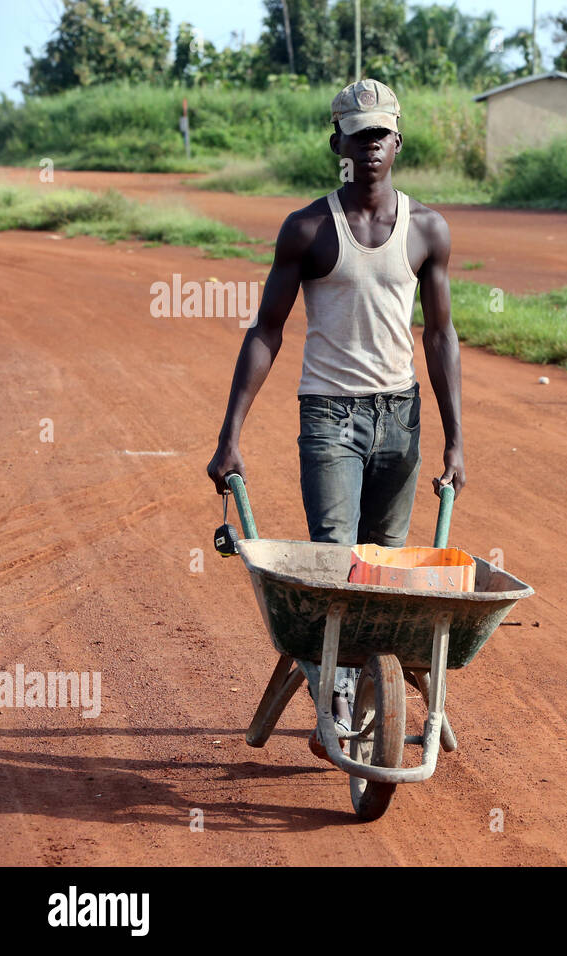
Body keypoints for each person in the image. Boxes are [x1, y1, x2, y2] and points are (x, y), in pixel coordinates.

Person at [206, 78, 465, 761]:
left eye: (381, 134)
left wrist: (456, 441)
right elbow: (266, 331)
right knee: (335, 559)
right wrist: (230, 434)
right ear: (338, 145)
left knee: (383, 566)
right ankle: (341, 693)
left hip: (399, 417)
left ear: (397, 142)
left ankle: (371, 687)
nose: (370, 146)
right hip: (329, 419)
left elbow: (439, 336)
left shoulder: (428, 229)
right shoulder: (309, 229)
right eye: (358, 135)